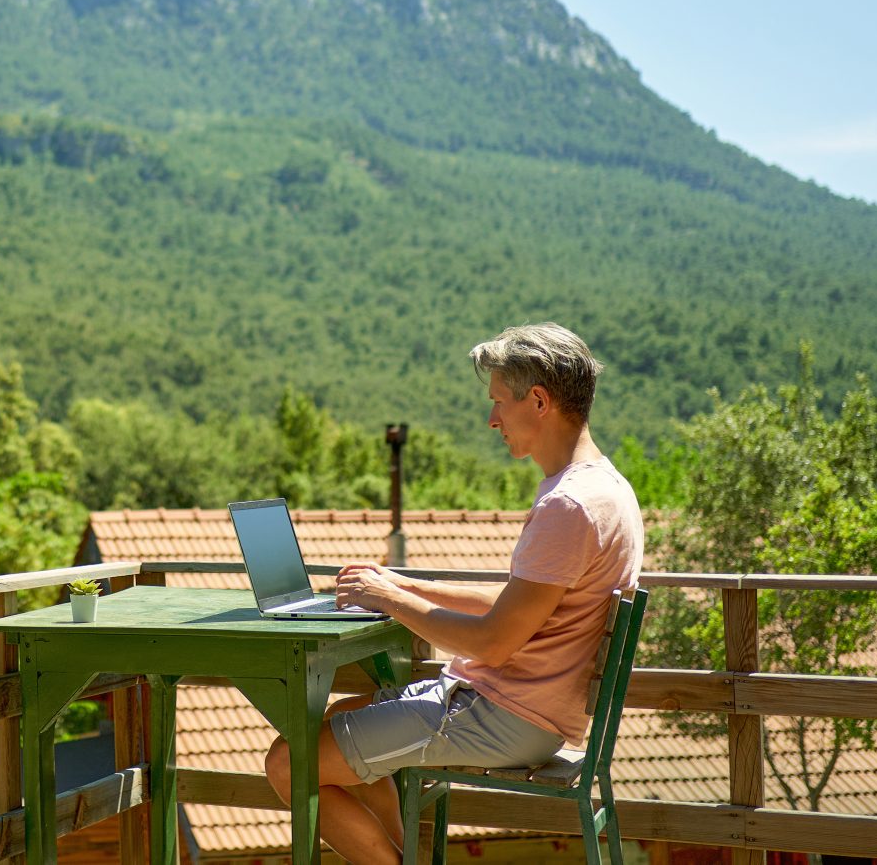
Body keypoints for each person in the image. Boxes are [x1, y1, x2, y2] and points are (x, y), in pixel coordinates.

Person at [263, 323, 644, 865]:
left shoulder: (569, 506)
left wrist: (390, 601)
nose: (492, 420)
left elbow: (492, 642)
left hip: (505, 714)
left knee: (288, 762)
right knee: (341, 714)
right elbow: (518, 608)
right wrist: (402, 584)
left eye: (498, 402)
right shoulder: (607, 489)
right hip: (522, 708)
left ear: (539, 401)